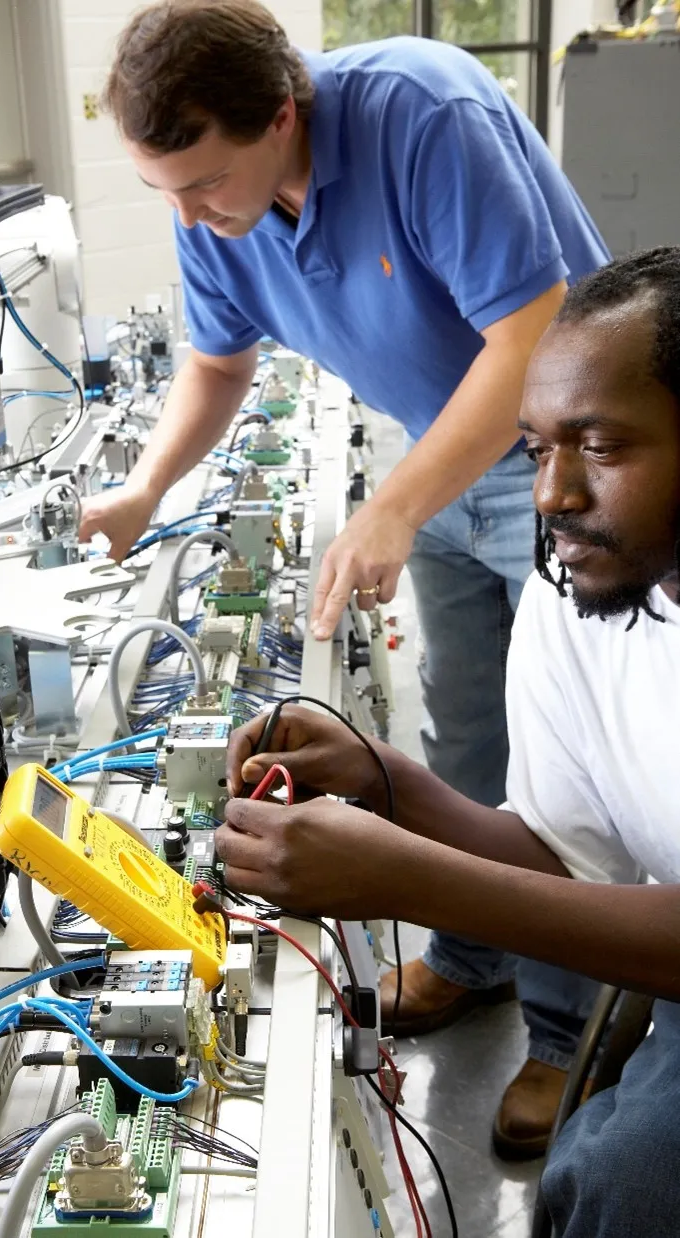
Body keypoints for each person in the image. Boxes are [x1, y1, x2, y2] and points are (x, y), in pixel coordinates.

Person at [84, 0, 610, 1151]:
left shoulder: (422, 115)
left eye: (204, 185)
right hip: (444, 461)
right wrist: (146, 490)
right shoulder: (211, 203)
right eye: (161, 193)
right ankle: (472, 959)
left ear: (284, 114)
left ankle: (570, 1041)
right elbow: (219, 368)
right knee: (468, 733)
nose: (190, 217)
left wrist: (392, 506)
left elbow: (528, 336)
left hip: (568, 470)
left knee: (564, 760)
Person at [216, 247, 680, 1232]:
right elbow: (569, 854)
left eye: (597, 446)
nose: (551, 494)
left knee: (617, 1192)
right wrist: (389, 784)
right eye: (535, 447)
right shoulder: (582, 591)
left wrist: (414, 882)